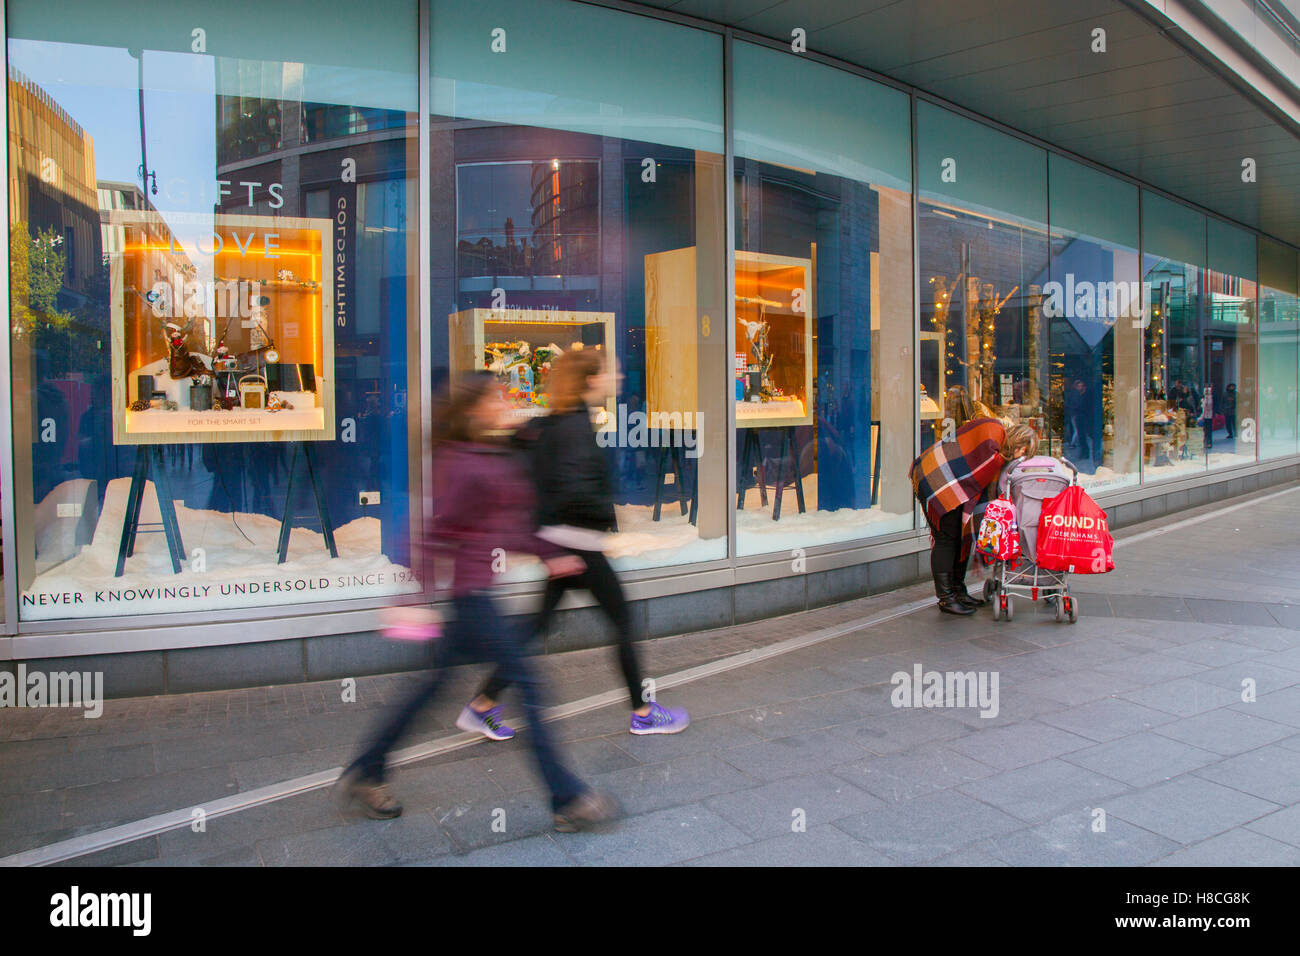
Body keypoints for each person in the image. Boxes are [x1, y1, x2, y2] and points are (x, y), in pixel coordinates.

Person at [335, 372, 619, 833]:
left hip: (477, 596)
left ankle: (366, 772)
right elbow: (435, 532)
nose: (505, 402)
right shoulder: (463, 462)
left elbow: (505, 527)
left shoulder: (491, 452)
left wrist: (551, 554)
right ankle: (567, 798)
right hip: (471, 597)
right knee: (529, 683)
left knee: (430, 688)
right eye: (496, 397)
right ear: (473, 410)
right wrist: (417, 593)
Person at [459, 350, 690, 738]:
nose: (616, 377)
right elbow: (572, 492)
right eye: (609, 372)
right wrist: (597, 532)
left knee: (537, 625)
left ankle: (481, 704)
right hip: (577, 547)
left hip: (564, 546)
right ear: (589, 380)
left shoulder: (555, 424)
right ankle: (643, 711)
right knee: (622, 621)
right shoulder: (574, 428)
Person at [910, 415, 1038, 616]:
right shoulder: (992, 431)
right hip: (937, 479)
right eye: (1024, 451)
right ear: (1020, 440)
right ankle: (946, 598)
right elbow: (964, 451)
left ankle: (958, 590)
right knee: (947, 538)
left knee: (961, 540)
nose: (1021, 457)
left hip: (952, 483)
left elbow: (977, 478)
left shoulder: (998, 455)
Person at [1199, 383, 1214, 453]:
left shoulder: (1210, 398)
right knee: (1205, 430)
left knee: (1208, 430)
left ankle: (1208, 442)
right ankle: (1206, 442)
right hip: (1206, 416)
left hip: (1208, 416)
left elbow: (1207, 406)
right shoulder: (1204, 398)